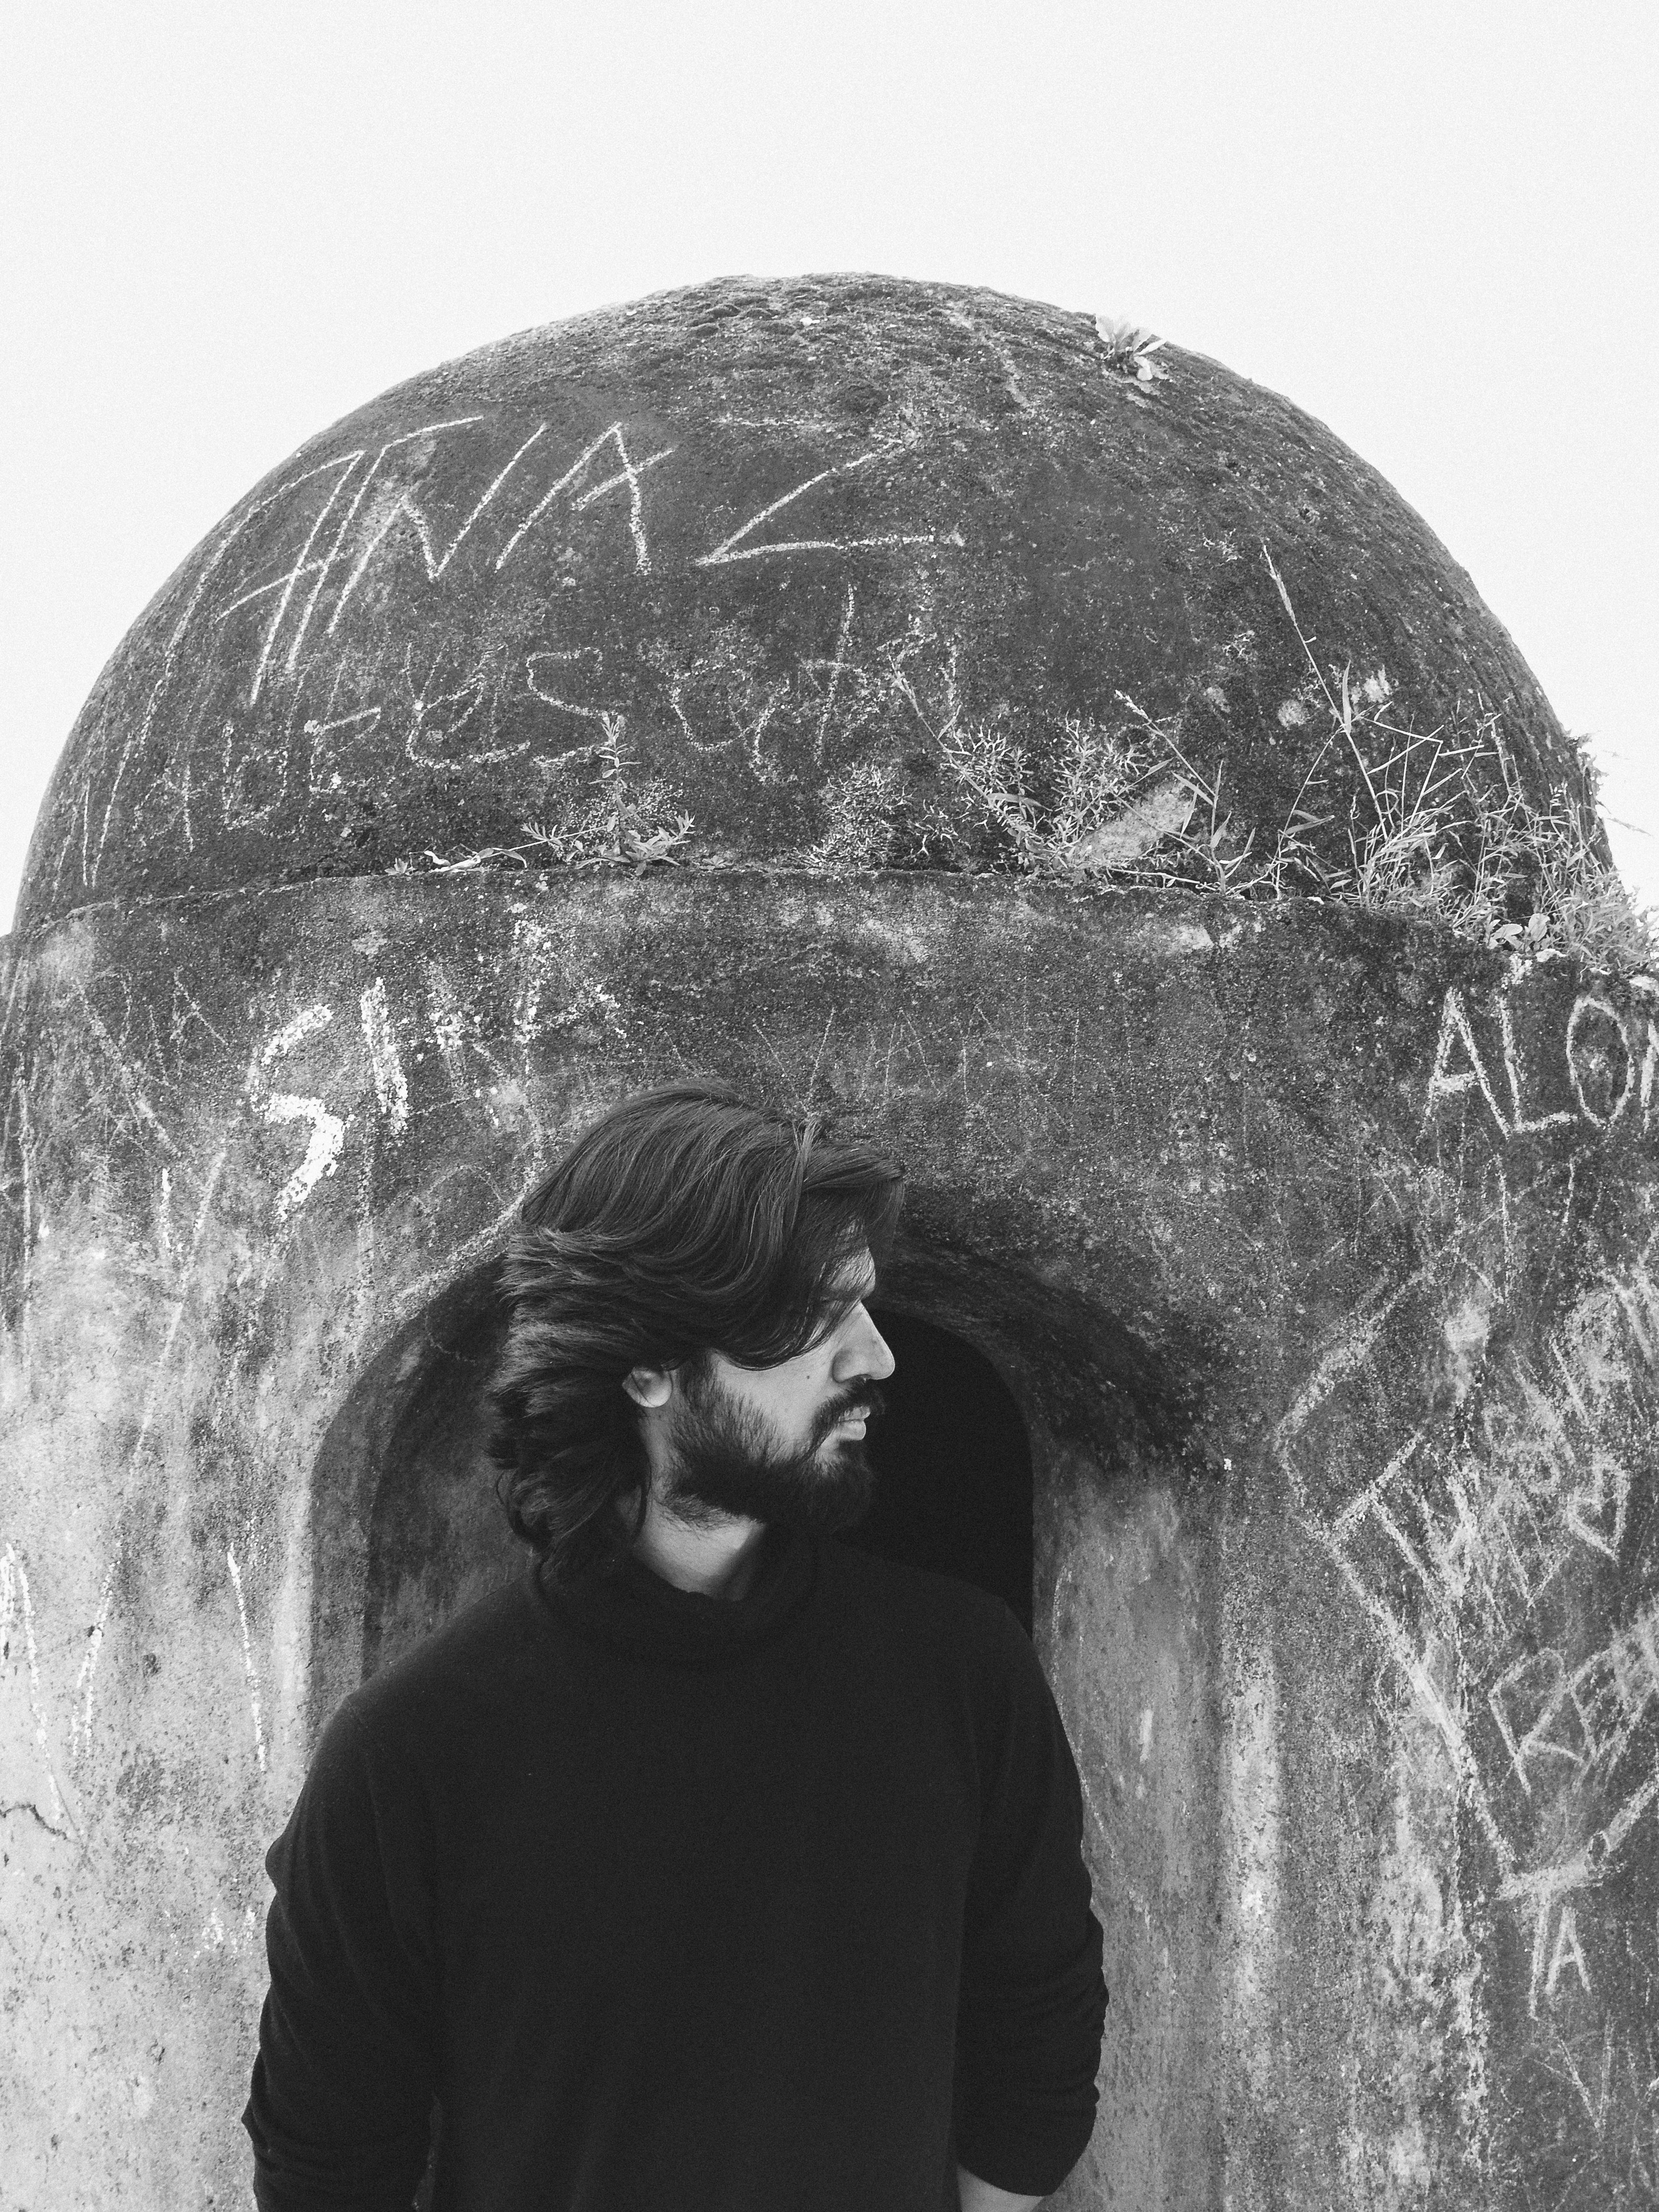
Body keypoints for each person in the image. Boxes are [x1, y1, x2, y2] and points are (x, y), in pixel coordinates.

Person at [243, 1079, 1107, 2211]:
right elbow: (325, 2159)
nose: (878, 1358)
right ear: (647, 1366)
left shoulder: (959, 1671)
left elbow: (1037, 2038)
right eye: (815, 1317)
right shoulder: (414, 1751)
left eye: (867, 1305)